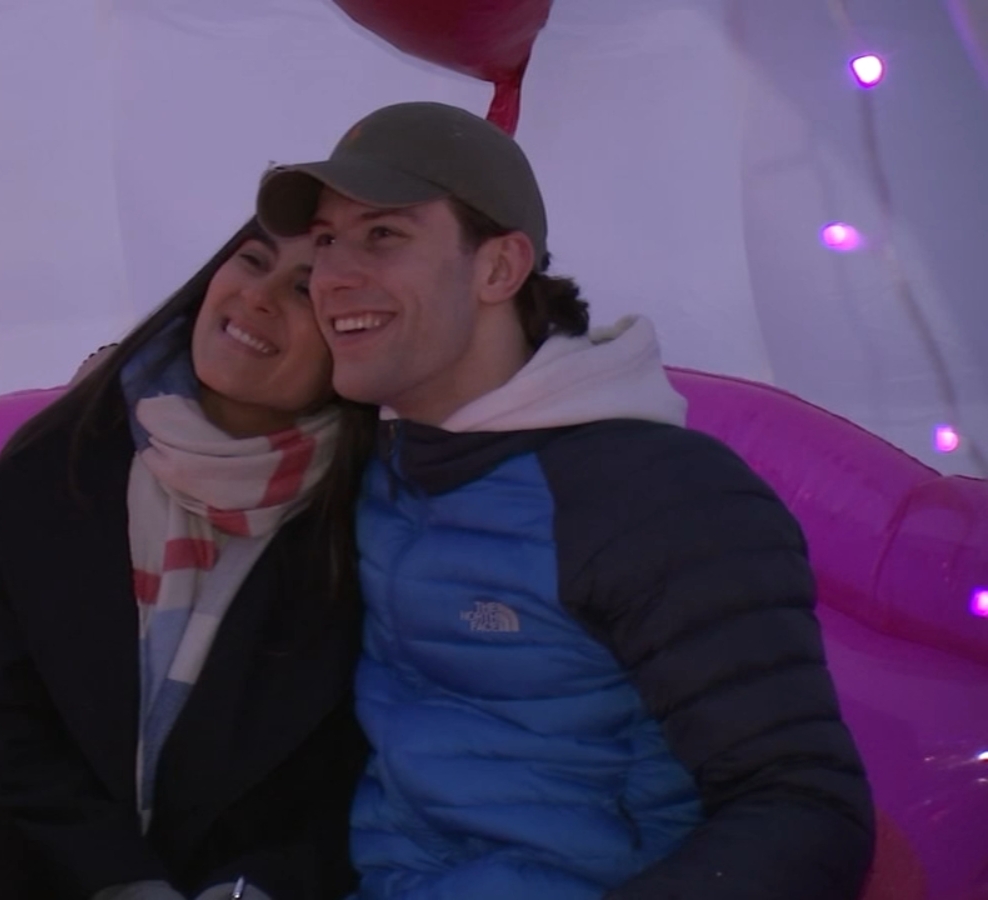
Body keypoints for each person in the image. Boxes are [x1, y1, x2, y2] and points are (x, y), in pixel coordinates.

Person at [252, 101, 876, 899]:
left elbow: (806, 809)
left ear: (499, 269)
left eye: (383, 235)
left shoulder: (656, 496)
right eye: (329, 241)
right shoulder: (383, 465)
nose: (333, 276)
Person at [0, 216, 378, 900]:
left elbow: (358, 772)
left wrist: (255, 888)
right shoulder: (59, 465)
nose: (257, 298)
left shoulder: (374, 522)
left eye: (303, 290)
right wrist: (120, 881)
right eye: (251, 261)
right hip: (64, 872)